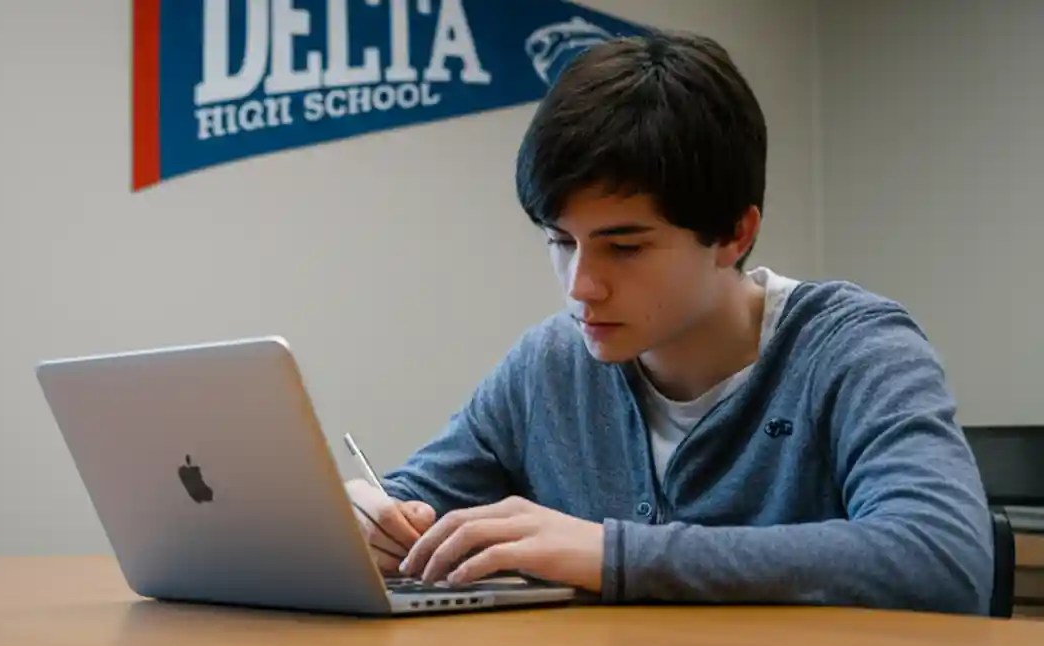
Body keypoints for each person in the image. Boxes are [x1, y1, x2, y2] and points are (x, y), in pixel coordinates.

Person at [345, 29, 994, 615]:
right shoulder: (550, 364)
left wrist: (610, 555)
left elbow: (941, 556)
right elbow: (406, 504)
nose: (580, 286)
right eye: (560, 242)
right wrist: (365, 523)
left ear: (734, 235)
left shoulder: (853, 348)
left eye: (624, 247)